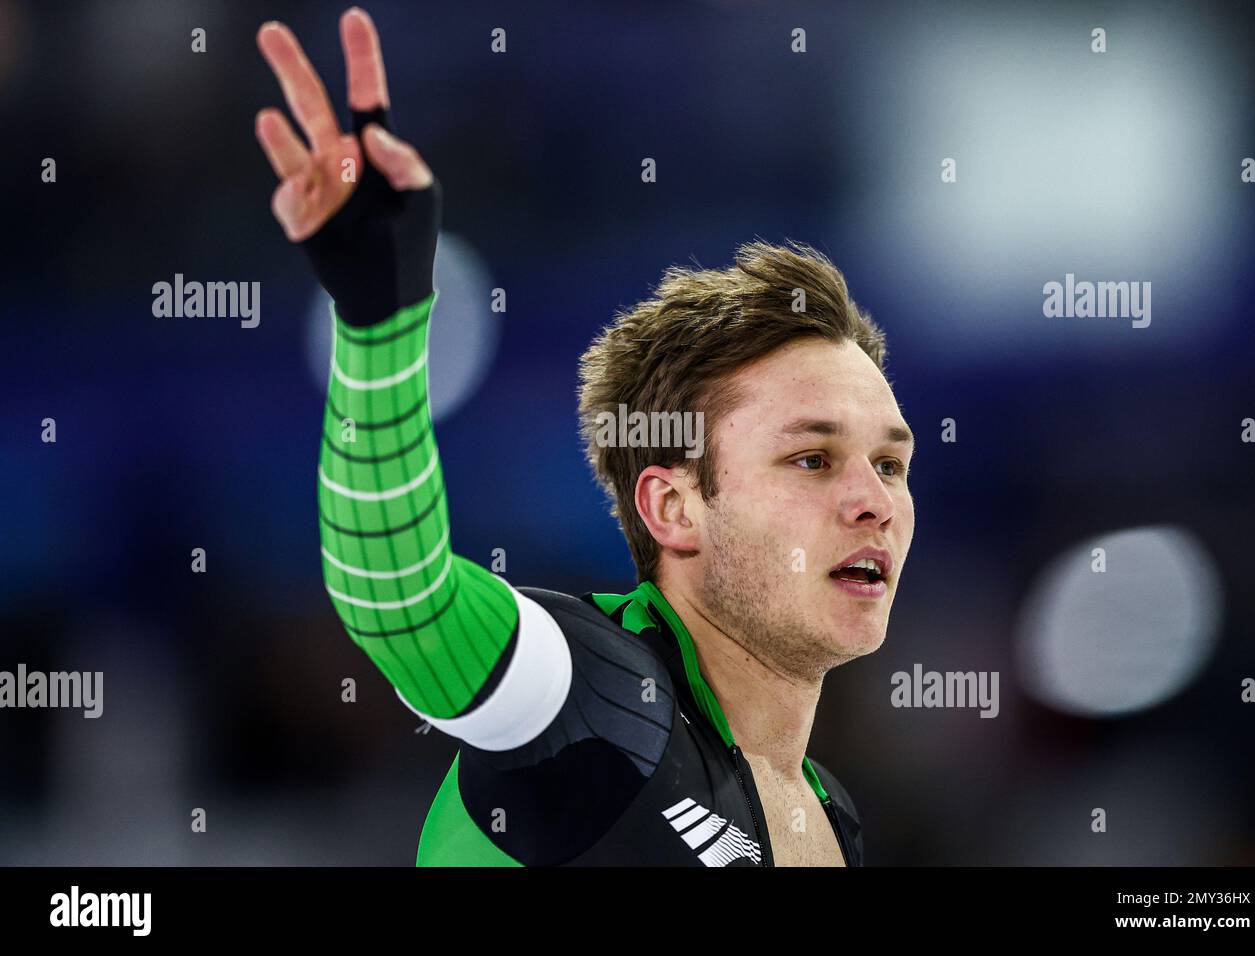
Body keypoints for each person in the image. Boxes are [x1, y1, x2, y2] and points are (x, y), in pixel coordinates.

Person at [254, 7, 915, 866]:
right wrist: (379, 325)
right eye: (812, 458)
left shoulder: (835, 820)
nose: (874, 503)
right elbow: (399, 600)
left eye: (892, 463)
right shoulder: (598, 698)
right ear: (674, 506)